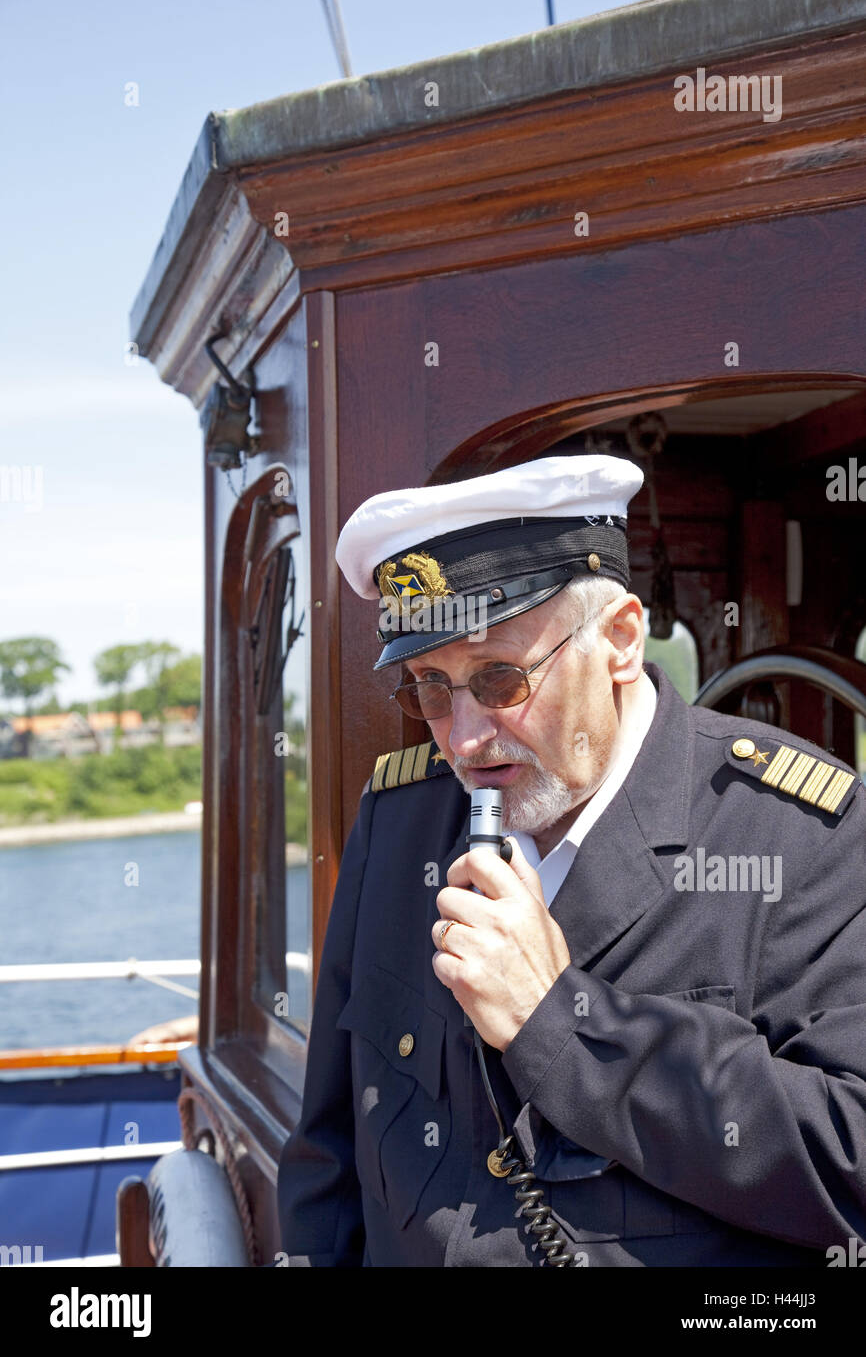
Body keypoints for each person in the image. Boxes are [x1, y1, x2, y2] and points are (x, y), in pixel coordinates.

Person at [276, 454, 866, 1267]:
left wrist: (562, 1022)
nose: (465, 740)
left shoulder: (800, 836)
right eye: (431, 689)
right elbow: (329, 1155)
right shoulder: (399, 823)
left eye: (499, 677)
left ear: (620, 638)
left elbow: (851, 1160)